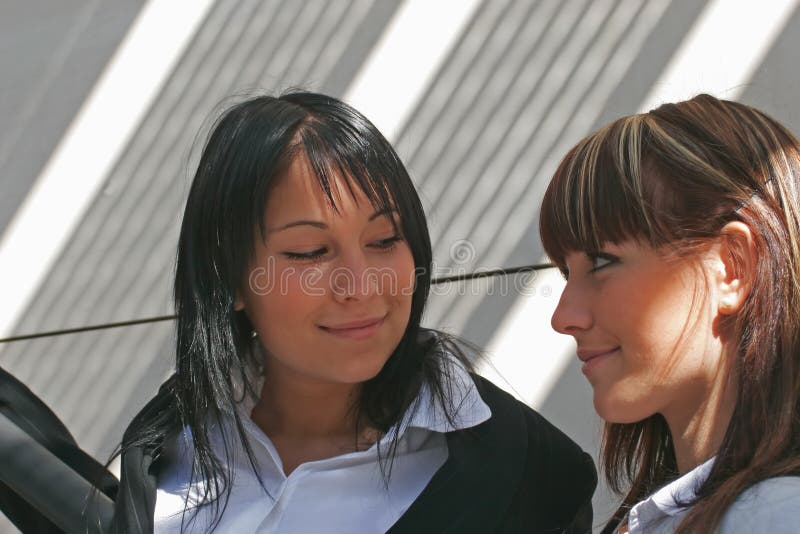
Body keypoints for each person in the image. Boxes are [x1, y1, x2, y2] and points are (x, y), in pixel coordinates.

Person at [110, 91, 596, 533]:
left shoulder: (530, 475)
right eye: (309, 252)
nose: (360, 285)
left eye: (384, 241)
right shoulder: (166, 446)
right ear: (229, 276)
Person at [539, 94, 800, 533]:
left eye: (601, 261)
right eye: (567, 272)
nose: (563, 317)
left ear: (732, 268)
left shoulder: (774, 517)